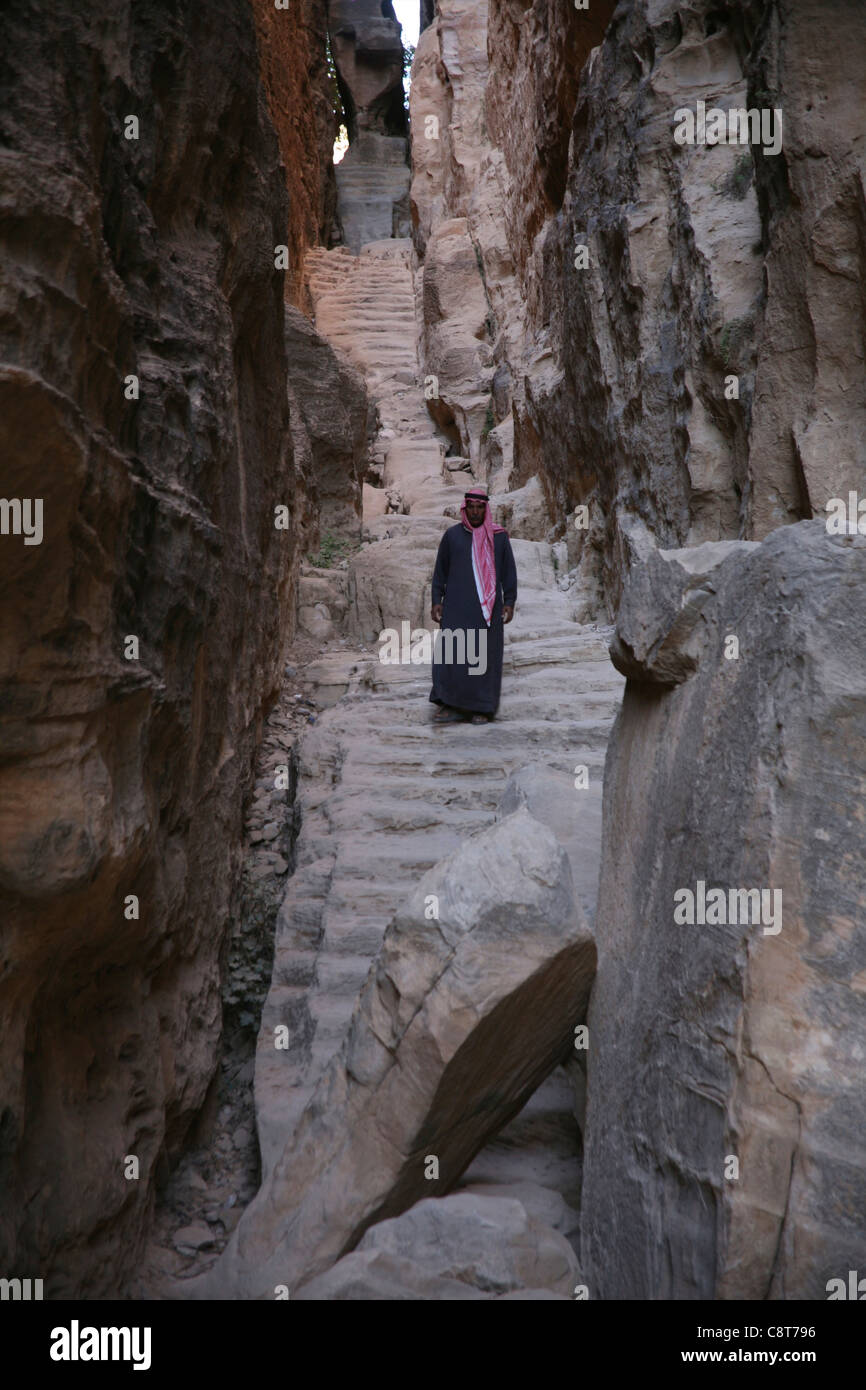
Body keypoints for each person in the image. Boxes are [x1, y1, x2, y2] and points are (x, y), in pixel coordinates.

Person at [429, 488, 517, 725]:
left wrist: (509, 601)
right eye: (472, 507)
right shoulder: (452, 536)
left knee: (483, 659)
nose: (476, 512)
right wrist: (437, 599)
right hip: (456, 607)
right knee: (454, 655)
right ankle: (450, 704)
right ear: (465, 508)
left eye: (480, 507)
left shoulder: (498, 538)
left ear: (486, 510)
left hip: (486, 611)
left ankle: (482, 708)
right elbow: (440, 572)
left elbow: (508, 572)